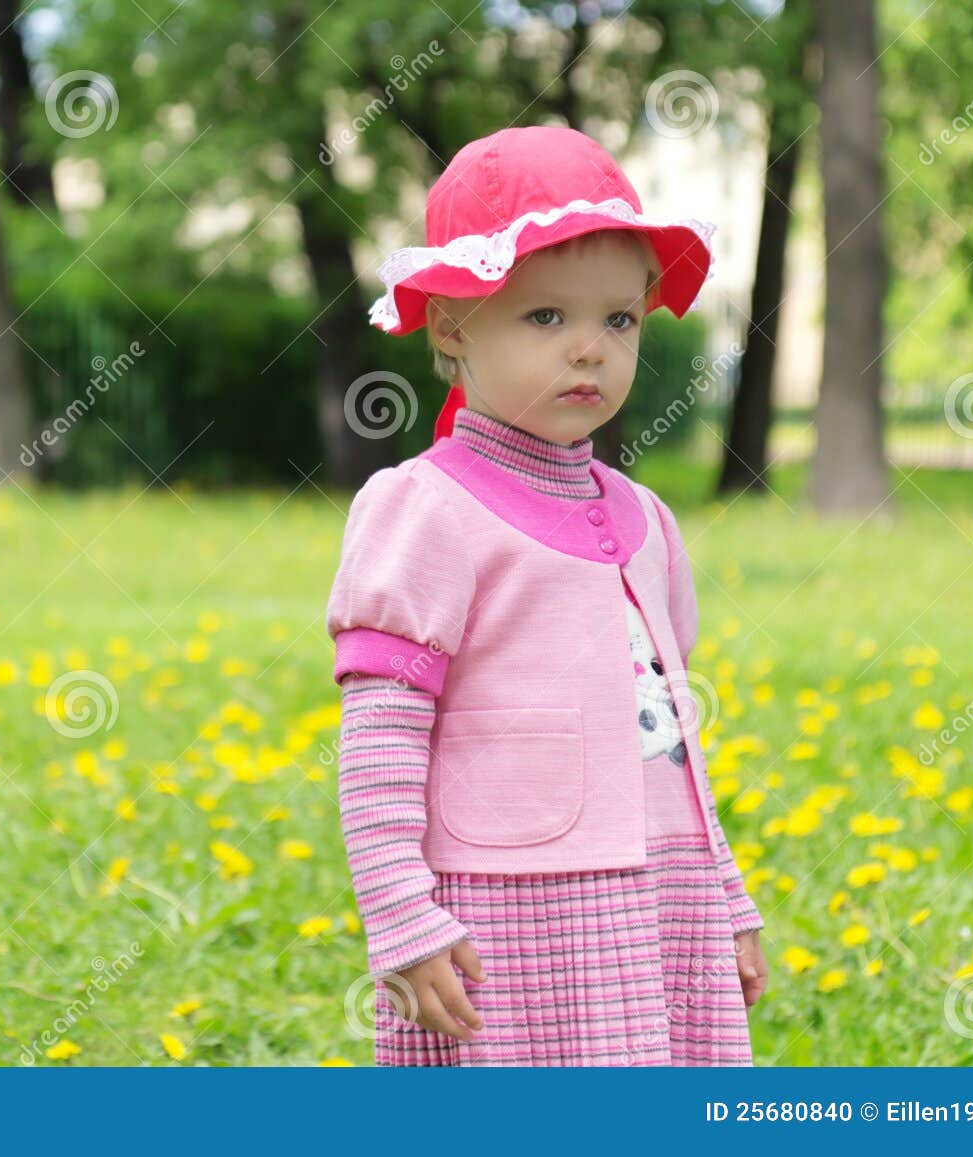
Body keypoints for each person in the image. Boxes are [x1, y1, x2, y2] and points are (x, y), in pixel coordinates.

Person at [326, 125, 768, 1066]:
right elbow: (380, 738)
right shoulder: (424, 509)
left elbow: (671, 734)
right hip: (507, 916)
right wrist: (404, 914)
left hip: (658, 894)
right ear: (451, 325)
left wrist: (723, 893)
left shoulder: (647, 518)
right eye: (544, 318)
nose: (589, 351)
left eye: (618, 321)